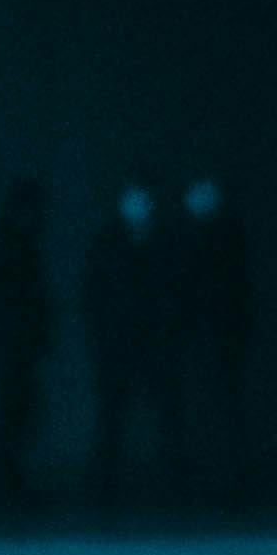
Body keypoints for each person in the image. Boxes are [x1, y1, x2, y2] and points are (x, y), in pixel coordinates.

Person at [85, 183, 183, 504]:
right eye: (133, 200)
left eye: (145, 200)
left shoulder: (164, 242)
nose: (139, 206)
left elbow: (177, 291)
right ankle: (106, 485)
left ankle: (170, 482)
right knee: (114, 415)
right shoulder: (109, 242)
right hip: (120, 342)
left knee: (164, 413)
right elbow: (93, 295)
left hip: (155, 342)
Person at [0, 176, 55, 514]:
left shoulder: (15, 245)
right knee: (13, 415)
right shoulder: (13, 247)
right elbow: (11, 301)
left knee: (15, 415)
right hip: (15, 346)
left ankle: (5, 484)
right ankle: (4, 486)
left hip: (16, 346)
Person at [176, 177, 252, 500]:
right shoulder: (195, 240)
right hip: (209, 335)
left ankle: (224, 478)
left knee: (222, 406)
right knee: (211, 406)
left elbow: (234, 289)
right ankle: (216, 478)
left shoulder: (221, 239)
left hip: (219, 334)